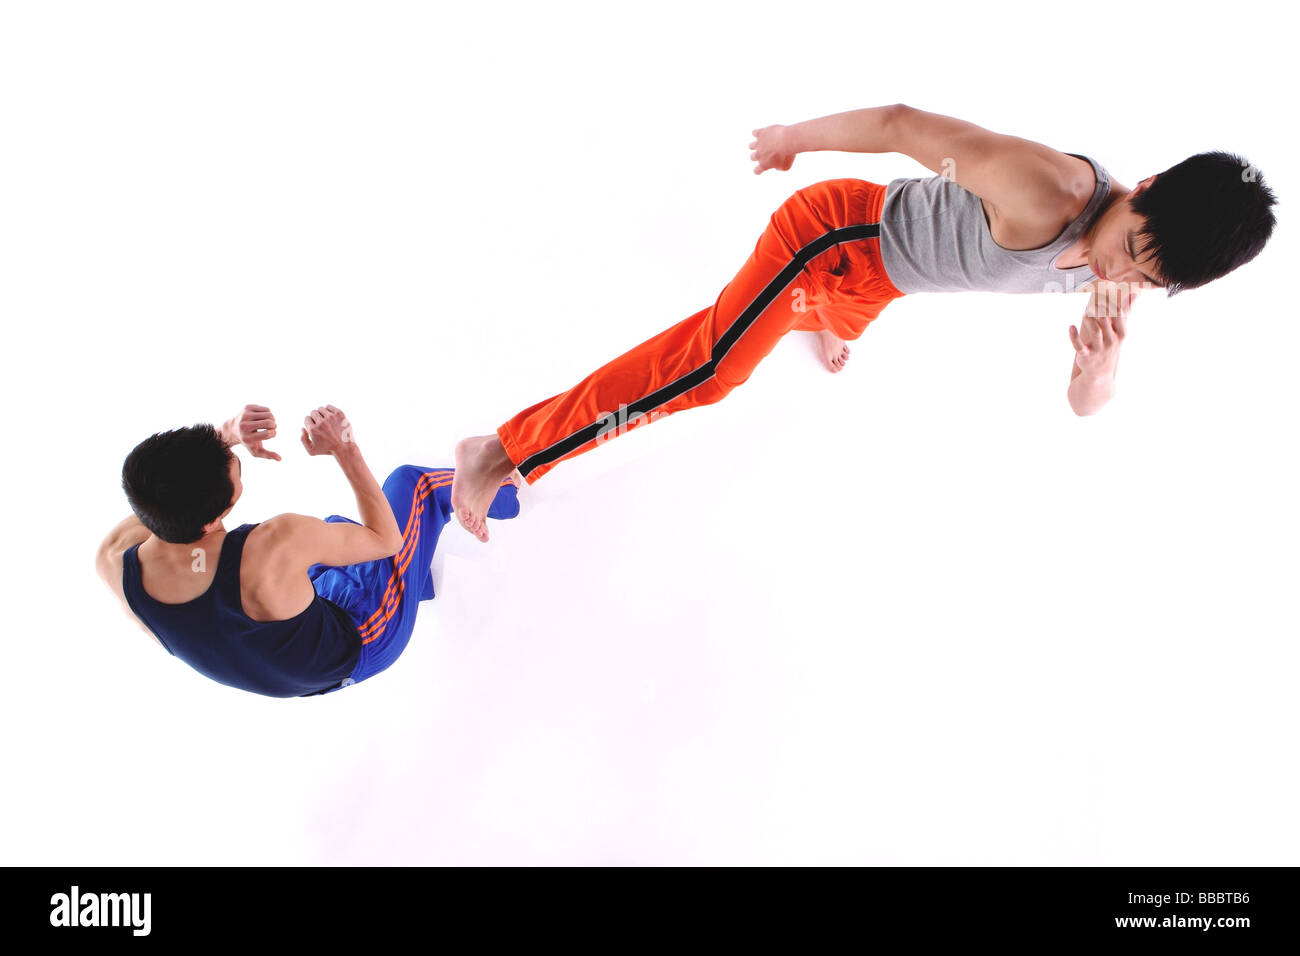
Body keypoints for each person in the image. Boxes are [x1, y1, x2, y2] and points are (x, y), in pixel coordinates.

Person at [449, 103, 1277, 542]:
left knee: (835, 325)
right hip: (831, 233)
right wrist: (792, 138)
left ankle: (823, 316)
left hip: (883, 281)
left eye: (1145, 276)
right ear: (1150, 183)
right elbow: (903, 126)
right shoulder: (1046, 189)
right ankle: (502, 449)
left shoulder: (1127, 269)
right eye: (1130, 249)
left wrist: (1098, 375)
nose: (1118, 275)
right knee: (714, 370)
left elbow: (1083, 407)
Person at [94, 404, 520, 697]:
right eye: (236, 471)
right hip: (363, 640)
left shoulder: (115, 556)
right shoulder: (274, 547)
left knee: (333, 533)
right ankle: (513, 486)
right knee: (413, 486)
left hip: (290, 664)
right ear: (212, 519)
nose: (233, 455)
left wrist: (225, 434)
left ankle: (415, 576)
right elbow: (383, 539)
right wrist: (343, 448)